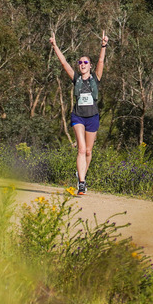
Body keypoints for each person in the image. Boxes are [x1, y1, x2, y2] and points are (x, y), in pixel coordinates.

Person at [50, 31, 108, 196]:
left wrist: (103, 45)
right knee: (81, 149)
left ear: (90, 65)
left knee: (89, 151)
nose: (82, 64)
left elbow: (102, 60)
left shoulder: (95, 78)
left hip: (93, 117)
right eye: (80, 62)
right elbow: (63, 63)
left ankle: (81, 175)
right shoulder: (76, 79)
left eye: (85, 62)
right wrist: (54, 45)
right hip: (78, 116)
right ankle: (81, 184)